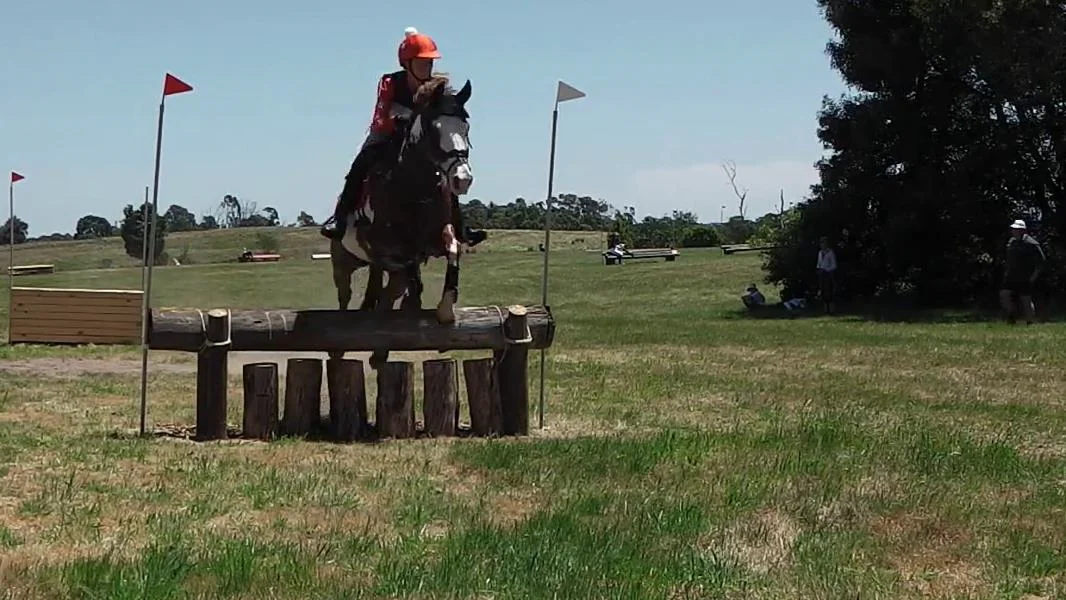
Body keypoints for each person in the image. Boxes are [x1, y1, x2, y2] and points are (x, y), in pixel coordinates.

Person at [321, 27, 486, 247]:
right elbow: (381, 117)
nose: (427, 67)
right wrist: (407, 118)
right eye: (422, 62)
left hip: (420, 142)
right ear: (407, 64)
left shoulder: (437, 87)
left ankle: (460, 227)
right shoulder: (389, 83)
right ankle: (340, 218)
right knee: (361, 163)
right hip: (386, 135)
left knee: (446, 169)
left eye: (429, 62)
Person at [999, 219, 1045, 324]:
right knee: (1004, 294)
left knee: (1026, 300)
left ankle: (1029, 321)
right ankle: (1011, 316)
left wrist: (1033, 277)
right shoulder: (1012, 242)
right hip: (1011, 276)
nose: (1014, 231)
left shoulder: (1032, 244)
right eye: (1014, 229)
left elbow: (1041, 262)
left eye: (1017, 229)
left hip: (1025, 276)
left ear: (1023, 230)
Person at [815, 236, 837, 314]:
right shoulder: (820, 253)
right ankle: (825, 310)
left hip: (829, 274)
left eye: (824, 243)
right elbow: (819, 263)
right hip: (822, 274)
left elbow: (834, 265)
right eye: (821, 243)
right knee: (823, 291)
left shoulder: (830, 252)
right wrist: (819, 269)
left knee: (830, 292)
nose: (822, 245)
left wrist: (827, 270)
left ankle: (831, 310)